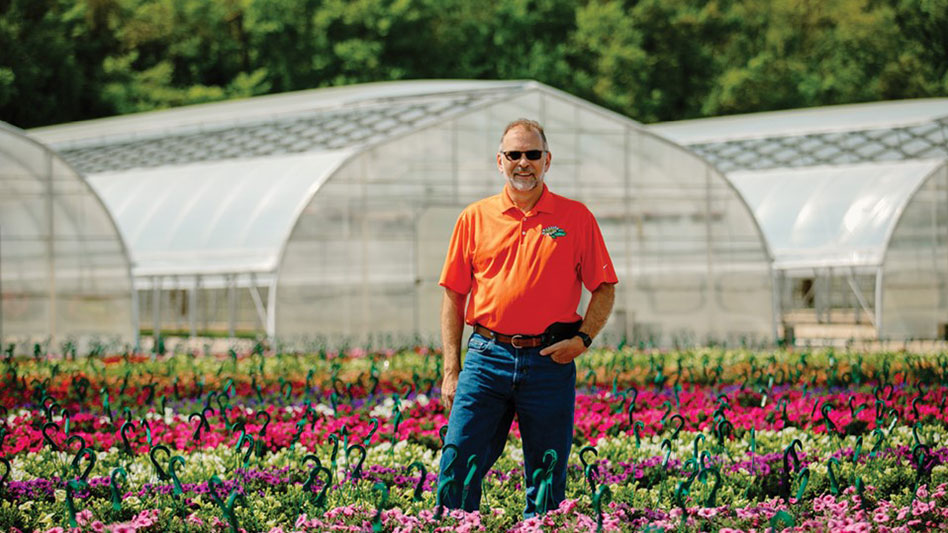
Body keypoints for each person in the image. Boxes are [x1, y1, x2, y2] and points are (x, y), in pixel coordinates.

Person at [437, 118, 618, 516]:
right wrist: (451, 368)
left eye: (532, 154)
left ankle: (541, 525)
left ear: (547, 160)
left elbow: (604, 287)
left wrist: (582, 340)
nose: (523, 163)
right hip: (487, 357)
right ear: (499, 161)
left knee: (547, 470)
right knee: (458, 460)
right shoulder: (474, 218)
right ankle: (455, 524)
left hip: (549, 360)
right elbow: (454, 295)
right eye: (514, 154)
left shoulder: (575, 217)